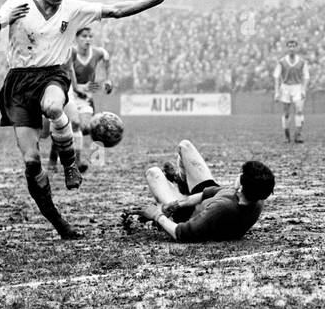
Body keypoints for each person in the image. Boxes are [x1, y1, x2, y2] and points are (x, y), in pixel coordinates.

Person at [0, 0, 168, 240]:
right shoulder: (18, 3)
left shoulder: (72, 9)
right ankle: (59, 222)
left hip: (52, 75)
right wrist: (6, 19)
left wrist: (154, 0)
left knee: (54, 106)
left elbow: (115, 10)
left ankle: (70, 163)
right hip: (18, 83)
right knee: (31, 163)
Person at [124, 139, 274, 243]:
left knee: (154, 173)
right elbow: (205, 193)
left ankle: (180, 186)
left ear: (241, 187)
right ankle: (181, 183)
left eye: (241, 175)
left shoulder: (224, 208)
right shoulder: (255, 196)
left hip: (190, 215)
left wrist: (158, 215)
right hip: (204, 202)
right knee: (185, 146)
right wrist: (179, 203)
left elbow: (180, 233)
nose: (239, 174)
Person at [47, 27, 112, 173]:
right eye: (84, 36)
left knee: (85, 128)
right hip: (69, 92)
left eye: (90, 36)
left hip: (85, 96)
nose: (87, 39)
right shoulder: (70, 52)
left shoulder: (98, 52)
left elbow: (106, 57)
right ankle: (74, 161)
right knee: (72, 124)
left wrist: (108, 80)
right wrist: (77, 88)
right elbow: (69, 72)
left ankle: (62, 152)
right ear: (77, 38)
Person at [273, 38, 309, 143]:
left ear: (296, 48)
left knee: (299, 110)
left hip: (297, 87)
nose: (292, 48)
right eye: (290, 46)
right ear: (287, 48)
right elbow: (276, 76)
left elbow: (306, 76)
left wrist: (304, 89)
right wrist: (276, 91)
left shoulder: (302, 62)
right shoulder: (282, 62)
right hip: (285, 87)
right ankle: (286, 135)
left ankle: (298, 135)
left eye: (294, 46)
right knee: (286, 112)